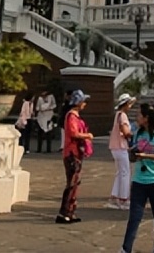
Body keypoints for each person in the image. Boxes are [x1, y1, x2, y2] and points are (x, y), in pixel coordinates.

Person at [118, 102, 154, 253]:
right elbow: (134, 157)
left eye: (139, 115)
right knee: (134, 216)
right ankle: (126, 248)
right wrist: (132, 153)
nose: (137, 117)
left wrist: (145, 155)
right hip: (139, 180)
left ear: (147, 118)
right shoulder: (138, 133)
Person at [56, 89, 94, 224]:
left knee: (75, 182)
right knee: (72, 183)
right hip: (72, 153)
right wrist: (87, 135)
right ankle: (65, 212)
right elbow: (74, 133)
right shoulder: (71, 116)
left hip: (76, 152)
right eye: (83, 101)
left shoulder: (74, 116)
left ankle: (70, 211)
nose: (85, 104)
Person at [109, 93, 136, 209]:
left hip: (115, 146)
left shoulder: (118, 115)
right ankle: (124, 199)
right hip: (120, 146)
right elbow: (126, 132)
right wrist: (135, 134)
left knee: (120, 172)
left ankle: (115, 197)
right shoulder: (123, 116)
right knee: (125, 173)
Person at [35, 87, 58, 153]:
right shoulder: (39, 99)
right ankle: (39, 149)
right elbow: (37, 107)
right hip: (41, 117)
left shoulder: (51, 97)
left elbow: (54, 105)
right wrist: (39, 109)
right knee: (40, 133)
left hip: (49, 116)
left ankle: (48, 149)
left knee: (49, 133)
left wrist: (49, 108)